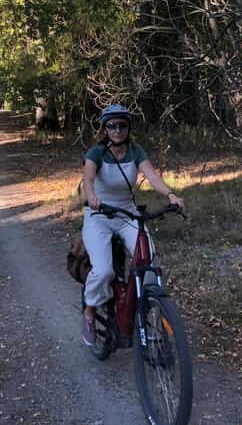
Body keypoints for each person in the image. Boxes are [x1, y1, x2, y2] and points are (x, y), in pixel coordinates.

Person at [81, 103, 185, 347]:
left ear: (129, 127)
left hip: (127, 213)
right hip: (99, 215)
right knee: (104, 270)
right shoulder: (96, 152)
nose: (117, 130)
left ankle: (146, 316)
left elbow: (153, 176)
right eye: (112, 125)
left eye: (122, 125)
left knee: (149, 263)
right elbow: (87, 178)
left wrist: (171, 195)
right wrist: (93, 196)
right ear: (105, 128)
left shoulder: (136, 151)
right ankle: (90, 310)